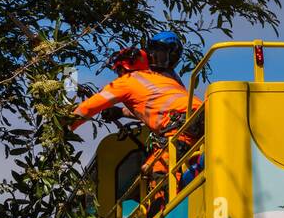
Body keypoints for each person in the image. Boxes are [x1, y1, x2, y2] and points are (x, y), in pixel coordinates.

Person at [70, 32, 203, 194]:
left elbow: (87, 108)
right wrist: (120, 112)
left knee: (155, 171)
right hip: (201, 116)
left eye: (118, 70)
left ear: (124, 66)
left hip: (182, 128)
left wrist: (65, 127)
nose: (117, 74)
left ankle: (168, 208)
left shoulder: (126, 81)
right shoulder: (163, 79)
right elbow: (155, 109)